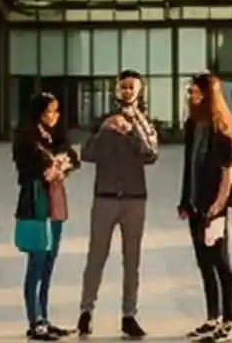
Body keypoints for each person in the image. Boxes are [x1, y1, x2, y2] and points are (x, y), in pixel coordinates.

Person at [77, 69, 159, 339]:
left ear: (140, 91)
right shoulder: (103, 120)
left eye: (132, 87)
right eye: (123, 86)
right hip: (105, 197)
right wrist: (104, 130)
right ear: (115, 89)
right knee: (96, 257)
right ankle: (86, 312)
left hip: (134, 199)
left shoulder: (145, 122)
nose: (127, 91)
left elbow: (151, 153)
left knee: (132, 260)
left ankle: (129, 315)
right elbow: (87, 153)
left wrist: (133, 127)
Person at [178, 72, 232, 342]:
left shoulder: (221, 128)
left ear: (208, 95)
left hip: (214, 206)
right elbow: (189, 165)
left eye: (196, 92)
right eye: (191, 92)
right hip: (195, 204)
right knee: (204, 262)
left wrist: (219, 204)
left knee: (220, 262)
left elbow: (228, 171)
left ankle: (229, 322)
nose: (192, 96)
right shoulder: (193, 125)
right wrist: (184, 200)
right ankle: (212, 318)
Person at [13, 93, 80, 340]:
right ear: (39, 112)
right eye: (50, 111)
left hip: (55, 204)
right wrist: (51, 168)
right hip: (36, 204)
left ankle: (44, 315)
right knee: (37, 262)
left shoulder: (55, 137)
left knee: (49, 264)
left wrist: (61, 166)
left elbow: (73, 158)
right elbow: (30, 170)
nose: (55, 116)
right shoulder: (26, 139)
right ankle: (35, 320)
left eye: (56, 111)